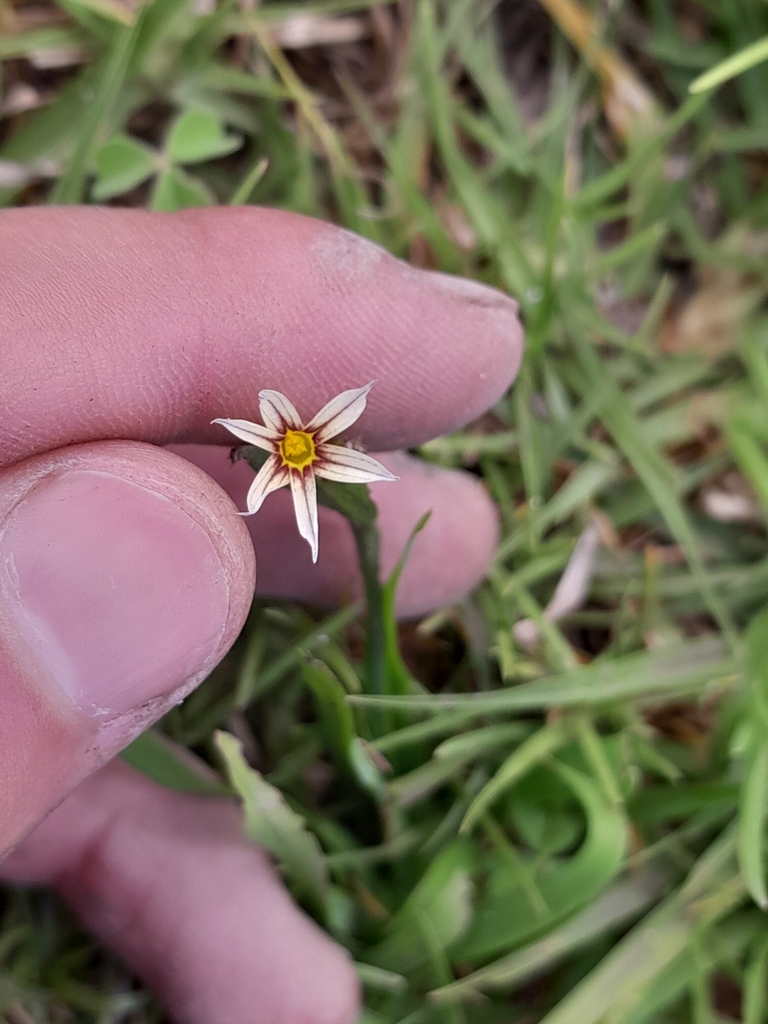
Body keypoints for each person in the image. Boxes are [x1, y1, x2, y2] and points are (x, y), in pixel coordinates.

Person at [0, 206, 523, 1024]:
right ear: (282, 445)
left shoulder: (302, 450)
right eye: (292, 448)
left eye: (304, 449)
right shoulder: (287, 446)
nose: (299, 452)